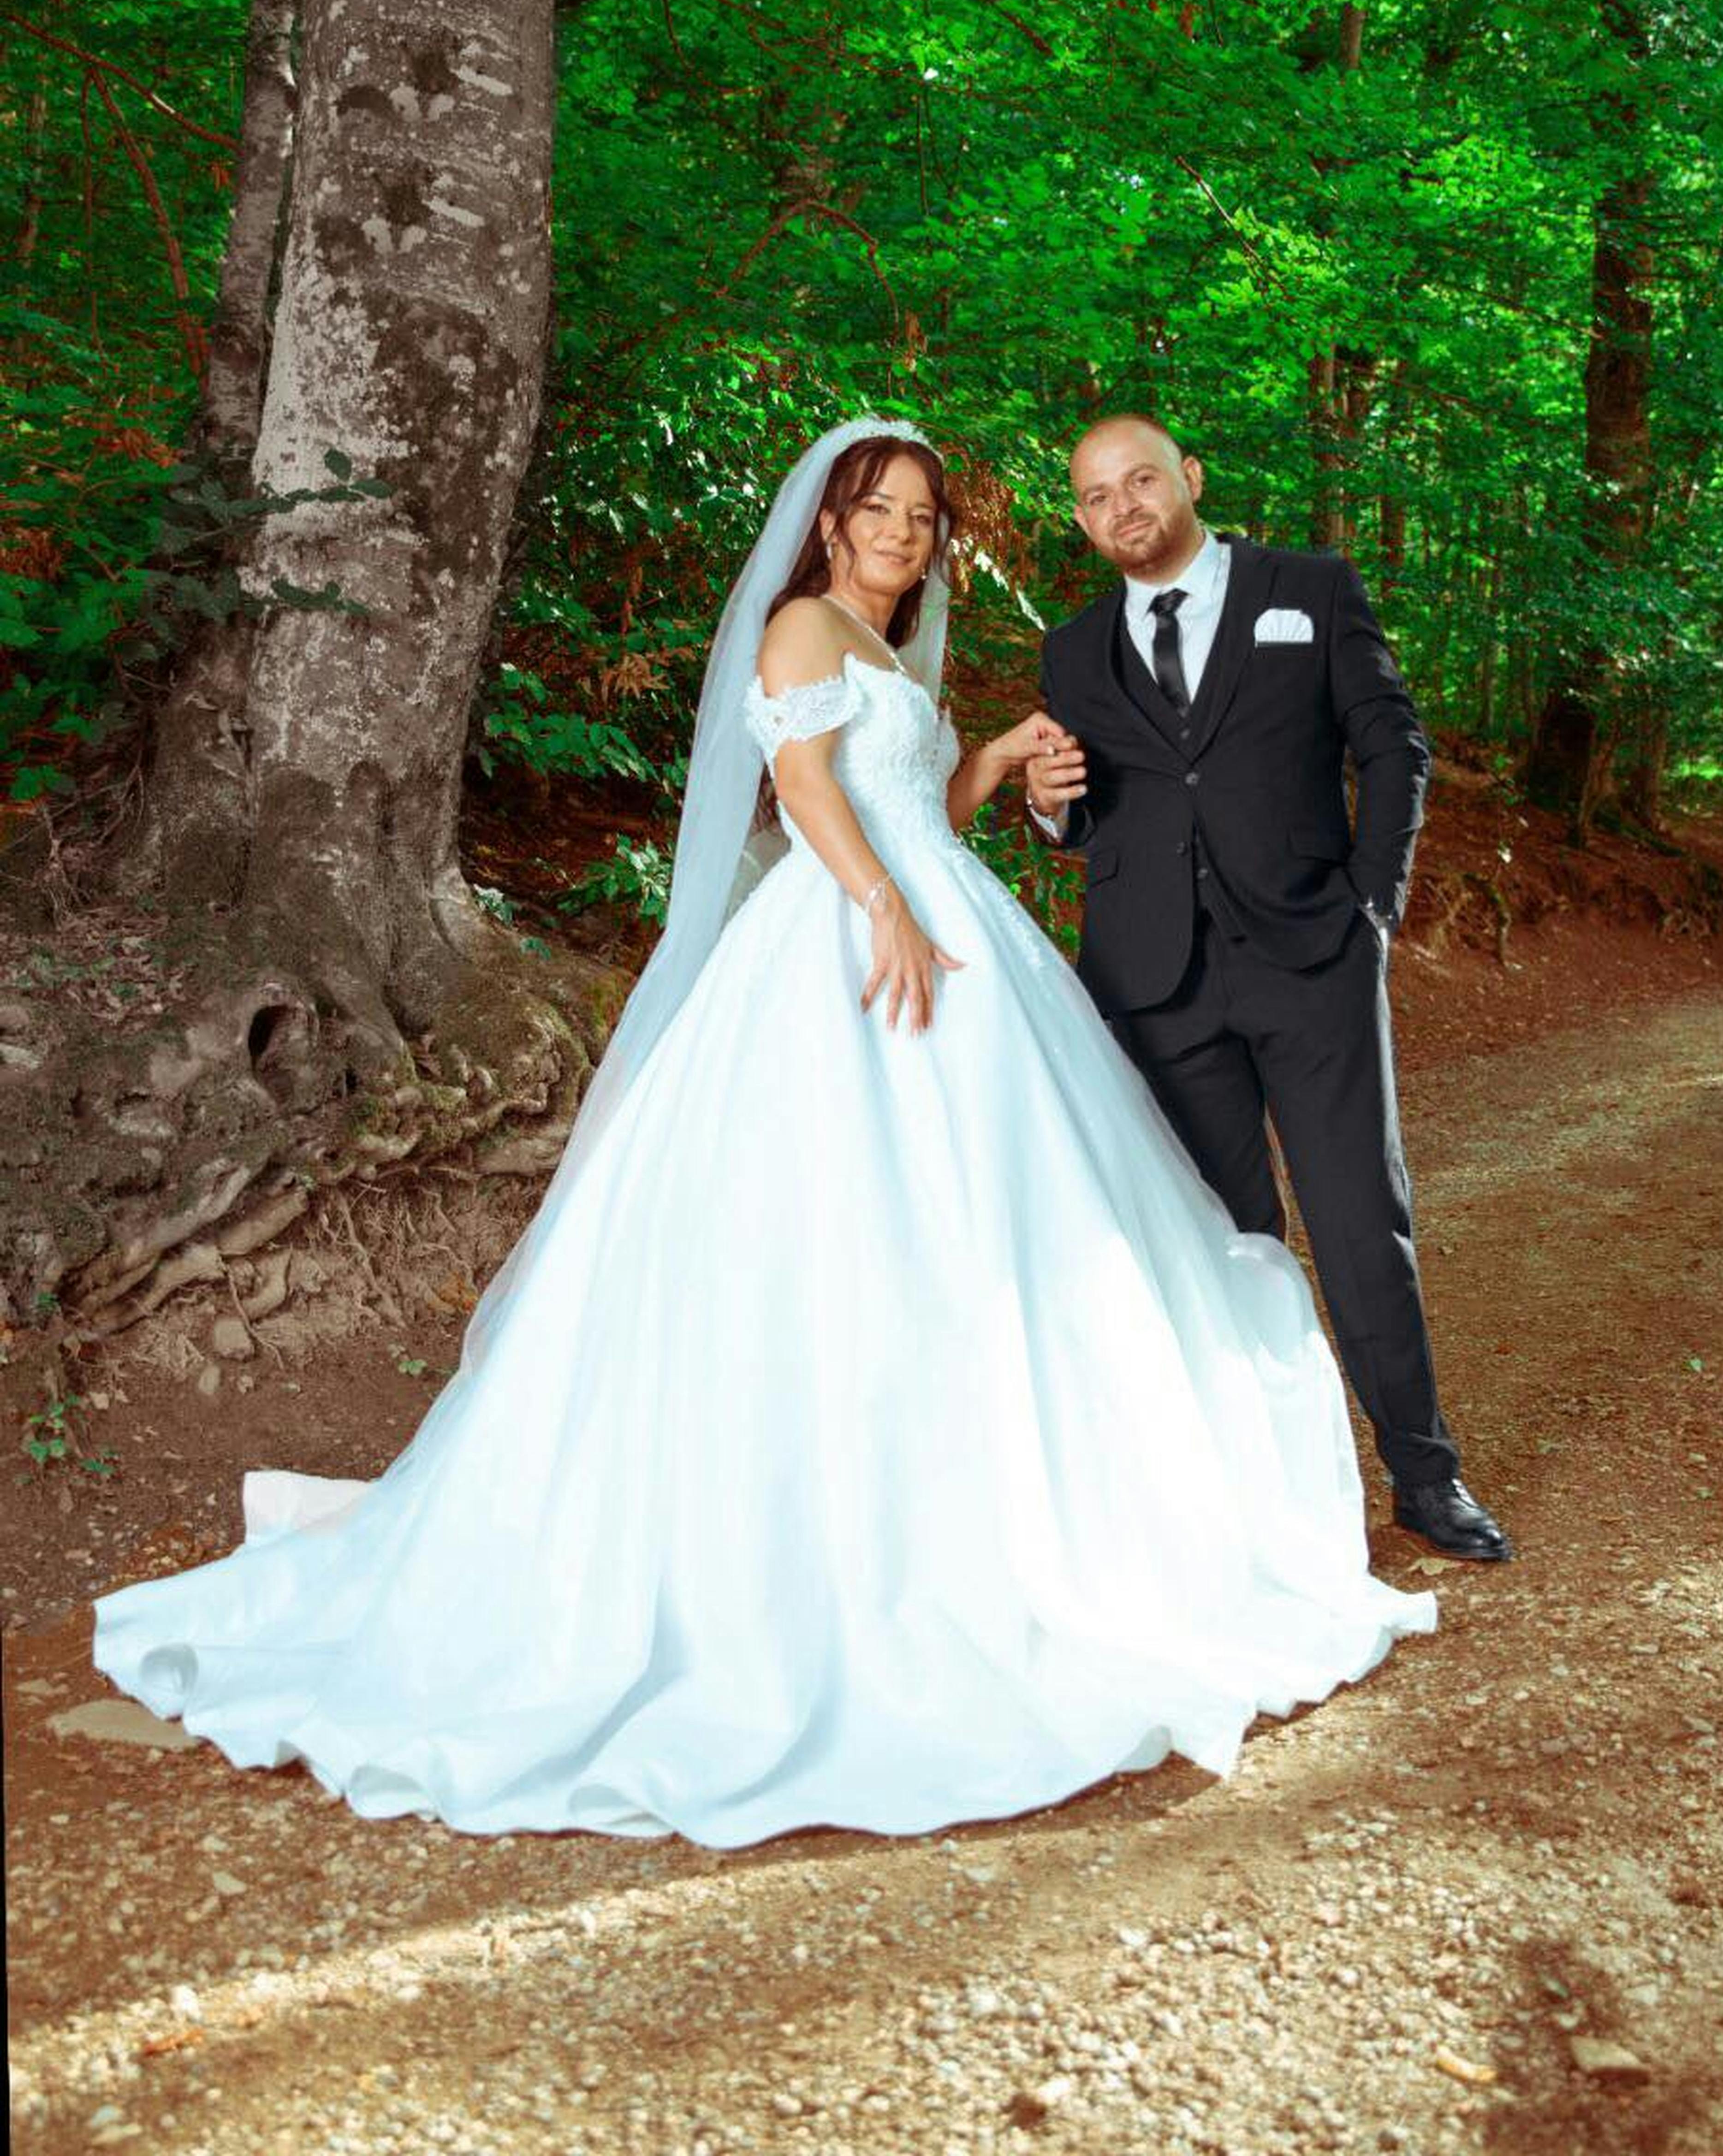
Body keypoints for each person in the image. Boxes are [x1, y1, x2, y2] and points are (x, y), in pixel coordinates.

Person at [91, 417, 1437, 1849]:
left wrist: (979, 761)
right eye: (878, 511)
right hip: (853, 942)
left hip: (940, 920)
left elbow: (914, 803)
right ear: (830, 523)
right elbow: (806, 799)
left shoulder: (890, 649)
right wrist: (883, 909)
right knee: (842, 1229)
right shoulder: (802, 627)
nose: (902, 534)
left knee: (1000, 1221)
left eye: (922, 517)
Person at [1024, 414, 1512, 1562]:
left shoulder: (1311, 586)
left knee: (1358, 1223)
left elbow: (1391, 745)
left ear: (1189, 478)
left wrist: (1373, 909)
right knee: (1216, 1241)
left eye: (1140, 480)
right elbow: (1081, 814)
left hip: (1311, 957)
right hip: (1154, 985)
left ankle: (1422, 1472)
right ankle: (1255, 1498)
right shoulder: (1071, 650)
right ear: (1084, 521)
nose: (1122, 508)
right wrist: (1047, 808)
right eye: (1095, 497)